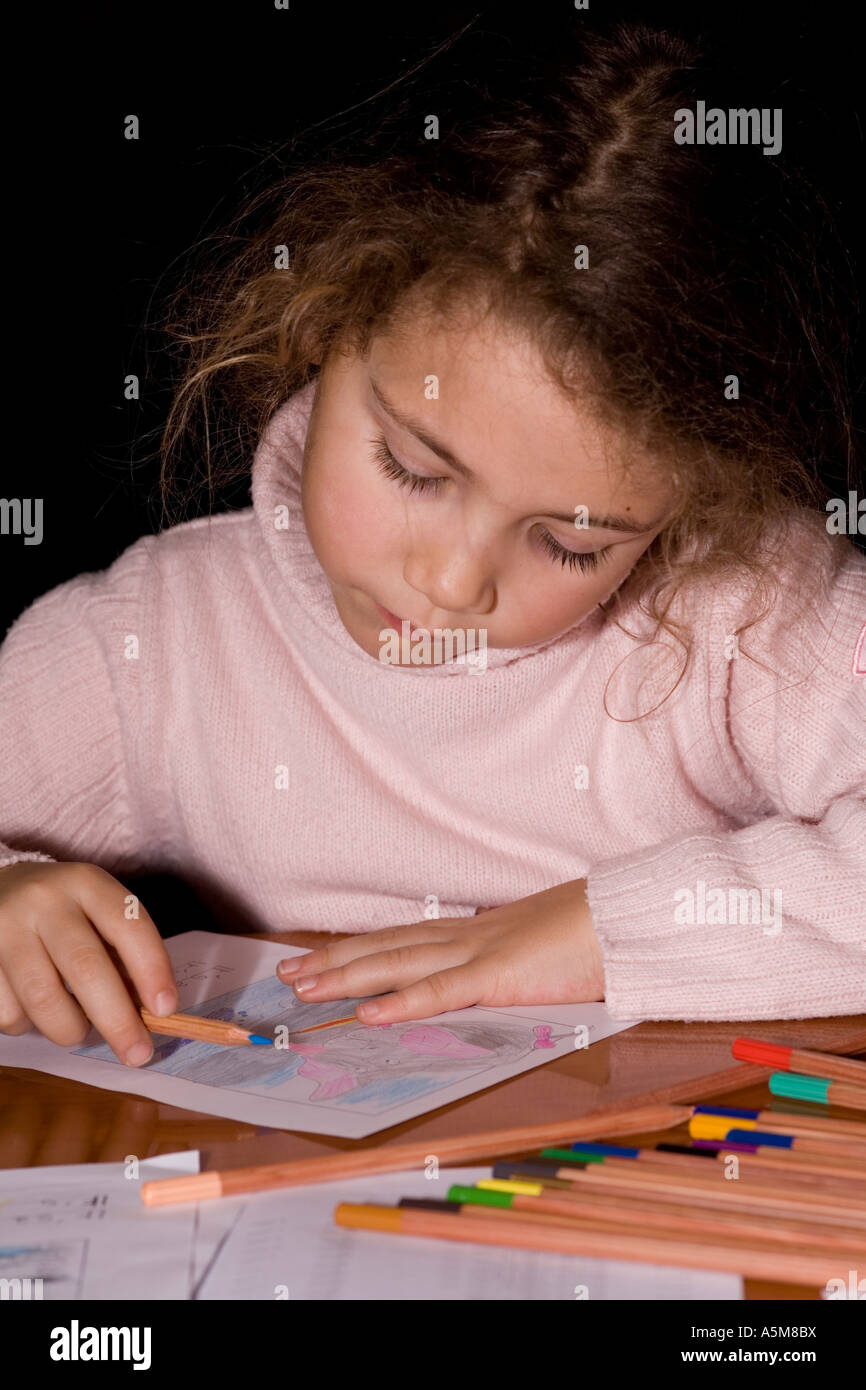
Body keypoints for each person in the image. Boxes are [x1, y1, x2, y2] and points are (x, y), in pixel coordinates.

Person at [1, 23, 863, 1067]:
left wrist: (604, 930)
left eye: (571, 545)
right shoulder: (157, 645)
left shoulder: (740, 604)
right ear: (322, 320)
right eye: (414, 471)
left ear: (697, 500)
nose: (452, 584)